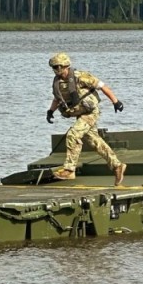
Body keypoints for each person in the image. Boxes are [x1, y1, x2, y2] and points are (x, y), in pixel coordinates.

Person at [45, 52, 128, 186]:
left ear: (65, 66)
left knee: (73, 134)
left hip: (90, 112)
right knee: (95, 142)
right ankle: (117, 166)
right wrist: (50, 111)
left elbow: (102, 86)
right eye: (54, 68)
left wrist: (115, 101)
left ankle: (69, 169)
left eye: (58, 67)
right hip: (79, 114)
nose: (56, 70)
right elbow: (57, 98)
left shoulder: (80, 77)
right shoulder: (58, 82)